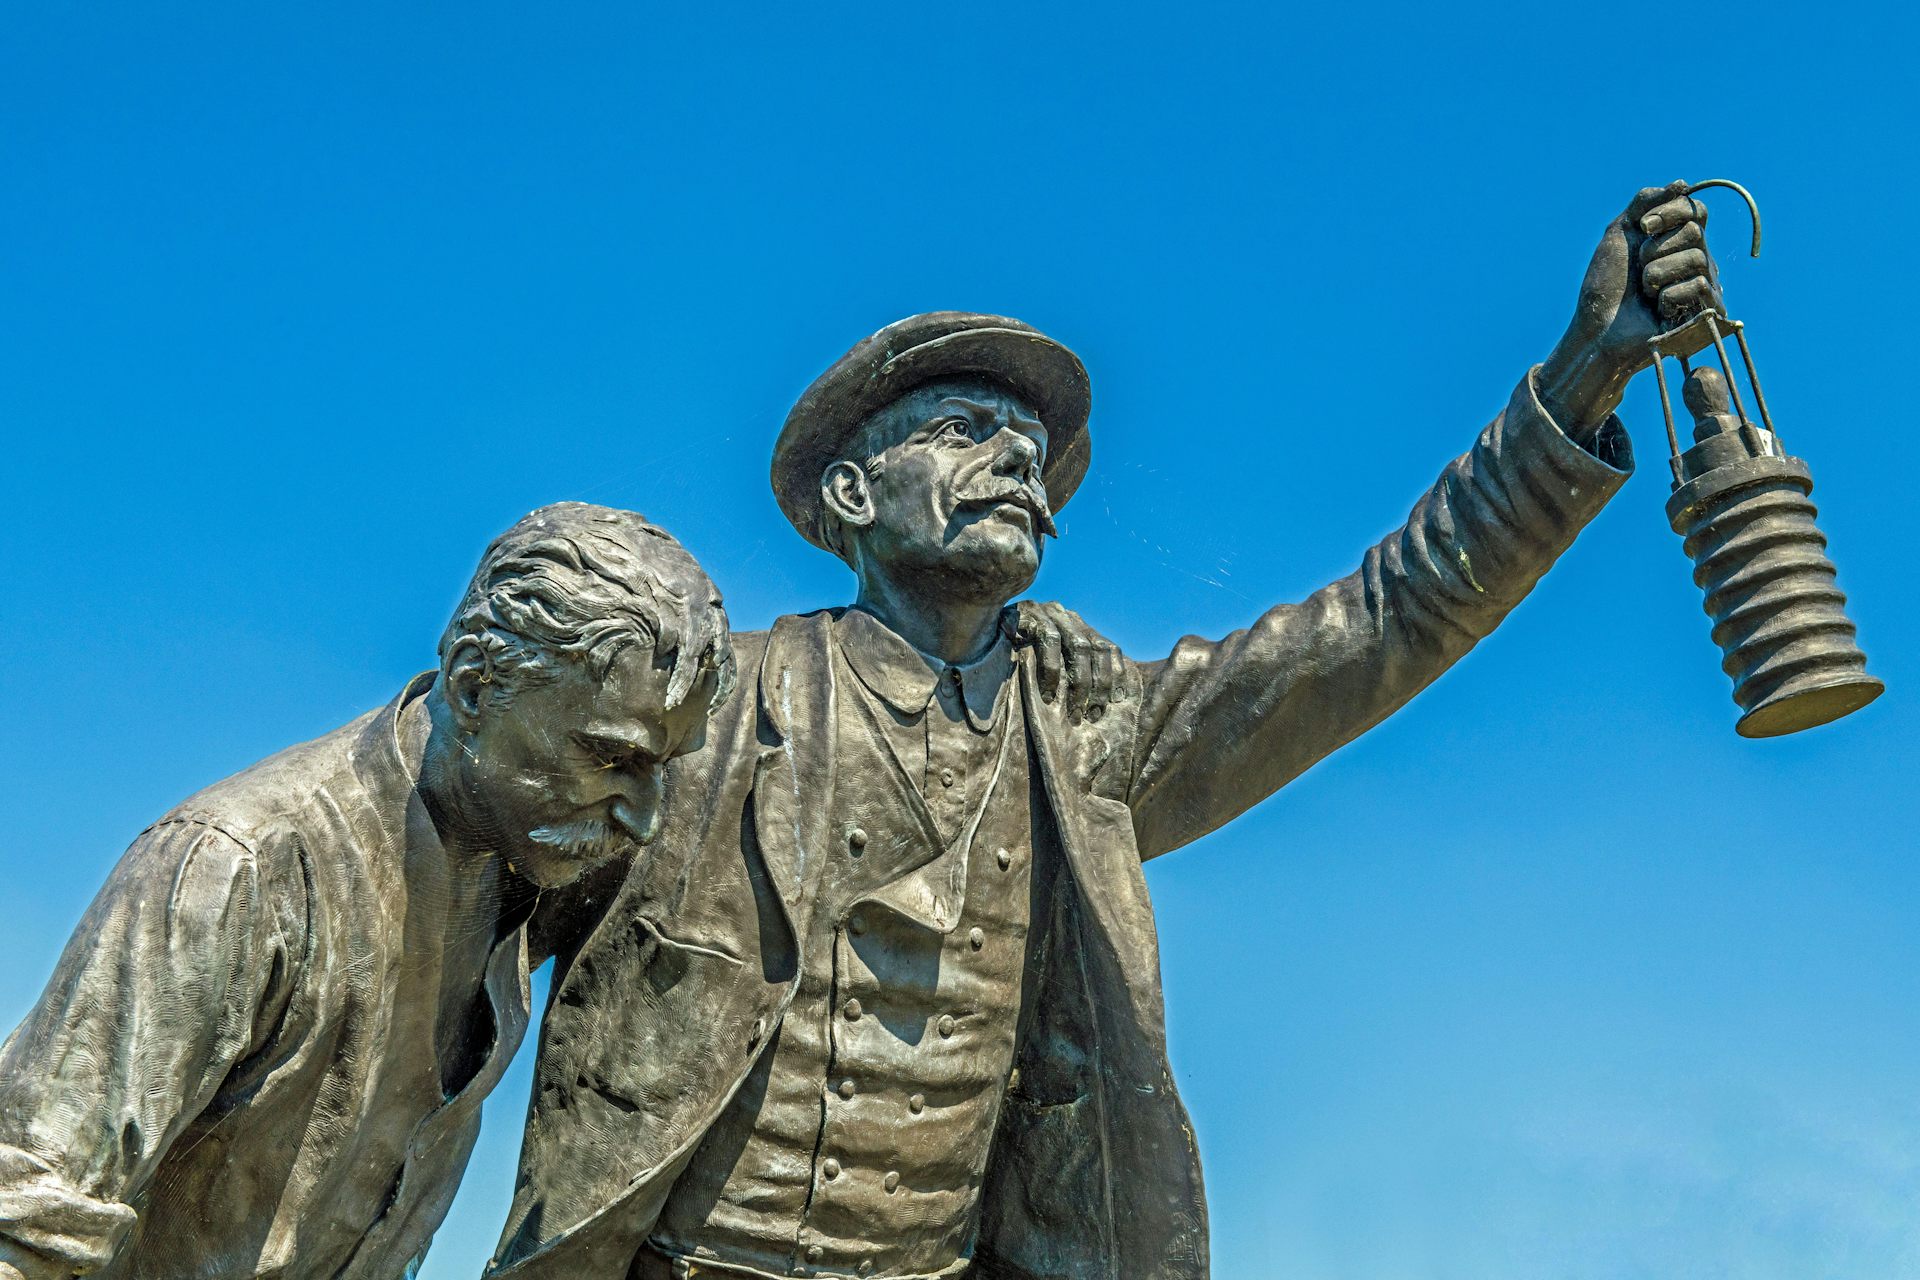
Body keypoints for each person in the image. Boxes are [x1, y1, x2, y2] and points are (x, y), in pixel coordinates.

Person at [488, 184, 1722, 1280]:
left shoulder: (1088, 727)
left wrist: (1581, 375)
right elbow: (449, 899)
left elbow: (1387, 617)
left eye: (1031, 452)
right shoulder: (695, 710)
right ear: (852, 496)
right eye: (963, 430)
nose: (1015, 458)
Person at [0, 502, 734, 1280]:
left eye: (665, 767)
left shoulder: (539, 858)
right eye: (609, 757)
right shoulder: (235, 867)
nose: (646, 819)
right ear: (476, 685)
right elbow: (25, 1210)